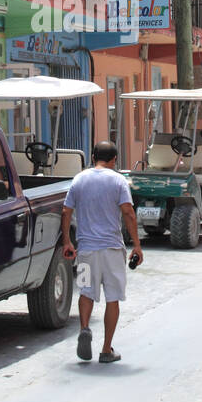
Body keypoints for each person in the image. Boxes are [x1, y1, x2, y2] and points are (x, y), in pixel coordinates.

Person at [60, 141, 141, 364]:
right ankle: (106, 349)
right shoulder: (118, 180)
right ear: (114, 160)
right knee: (112, 297)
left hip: (86, 251)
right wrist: (136, 245)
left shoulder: (79, 179)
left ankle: (85, 328)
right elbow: (128, 213)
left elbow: (66, 211)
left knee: (86, 292)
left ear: (93, 157)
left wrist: (67, 242)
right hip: (112, 250)